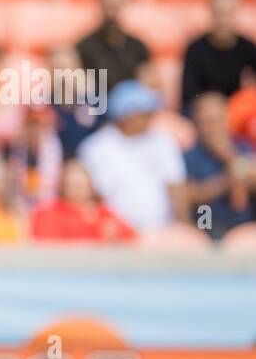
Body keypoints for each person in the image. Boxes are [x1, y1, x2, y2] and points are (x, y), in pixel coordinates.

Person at [77, 80, 187, 232]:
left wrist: (181, 226)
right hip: (113, 236)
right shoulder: (95, 148)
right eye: (145, 114)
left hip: (161, 234)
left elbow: (176, 186)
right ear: (127, 116)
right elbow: (91, 198)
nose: (151, 118)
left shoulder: (162, 141)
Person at [183, 91, 256, 240]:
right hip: (207, 227)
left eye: (219, 120)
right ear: (197, 123)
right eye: (208, 121)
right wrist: (229, 179)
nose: (214, 127)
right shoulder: (189, 155)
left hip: (244, 227)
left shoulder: (243, 147)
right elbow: (192, 195)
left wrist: (229, 157)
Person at [30, 158, 137, 242]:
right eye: (73, 186)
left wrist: (115, 235)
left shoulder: (102, 212)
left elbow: (131, 235)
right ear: (63, 187)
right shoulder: (49, 212)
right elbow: (46, 241)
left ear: (90, 187)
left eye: (81, 186)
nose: (78, 192)